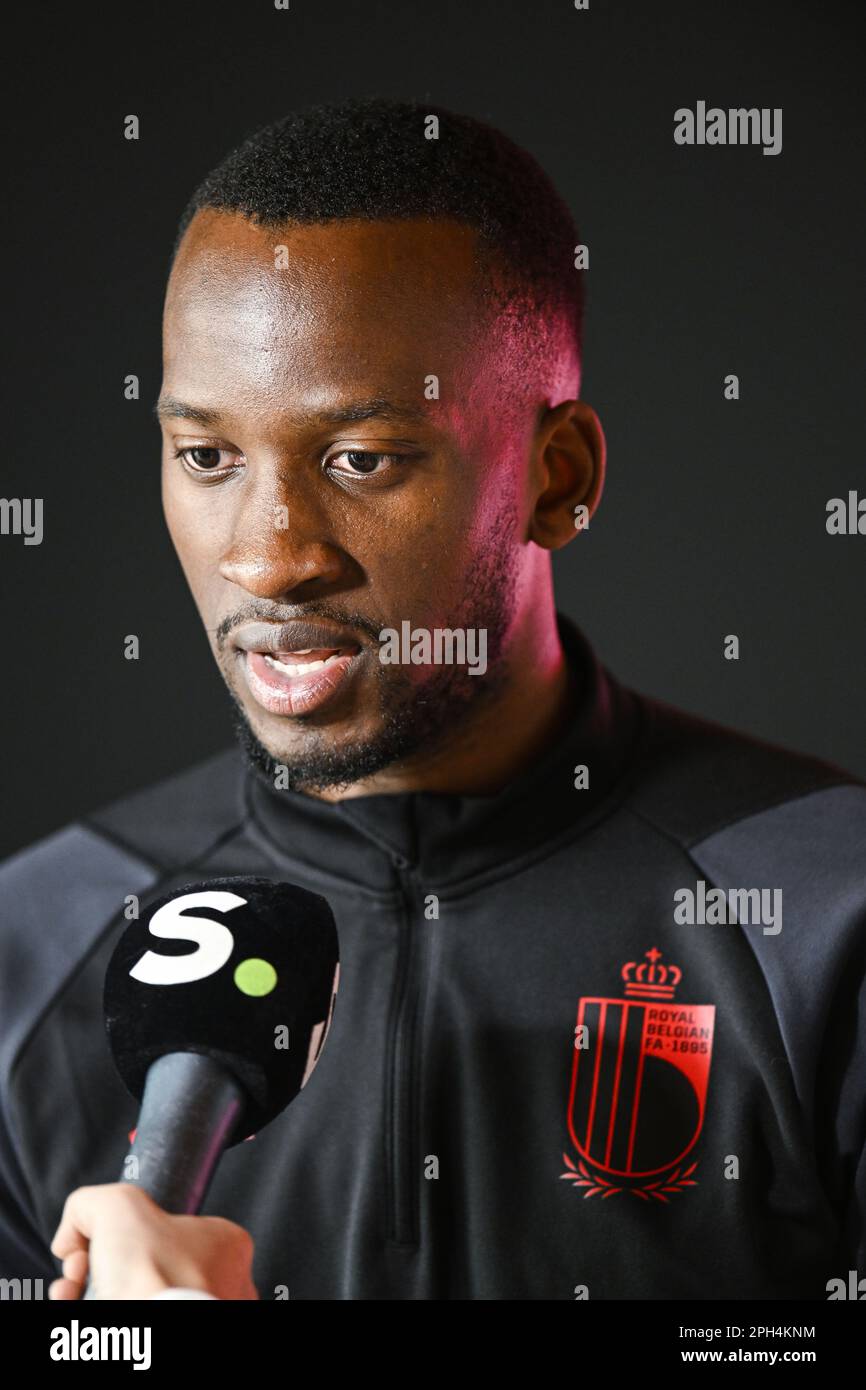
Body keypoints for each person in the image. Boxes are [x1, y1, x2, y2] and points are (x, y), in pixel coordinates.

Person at [1, 97, 863, 1302]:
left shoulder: (827, 920)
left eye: (360, 458)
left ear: (555, 480)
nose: (267, 555)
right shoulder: (29, 950)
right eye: (207, 457)